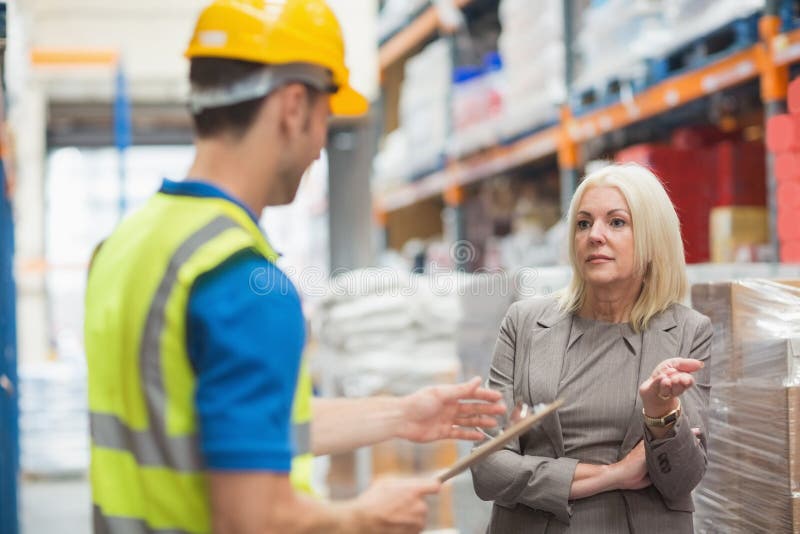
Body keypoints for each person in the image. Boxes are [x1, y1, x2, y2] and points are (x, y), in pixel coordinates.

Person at [84, 1, 504, 533]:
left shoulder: (124, 246)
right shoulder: (243, 282)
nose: (320, 147)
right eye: (326, 118)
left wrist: (402, 415)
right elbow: (251, 520)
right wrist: (359, 516)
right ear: (293, 107)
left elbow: (235, 424)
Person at [471, 163, 712, 533]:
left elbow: (680, 481)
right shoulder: (524, 323)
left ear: (653, 237)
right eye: (583, 223)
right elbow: (487, 468)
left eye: (616, 222)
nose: (594, 235)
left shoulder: (687, 331)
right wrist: (613, 476)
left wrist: (661, 413)